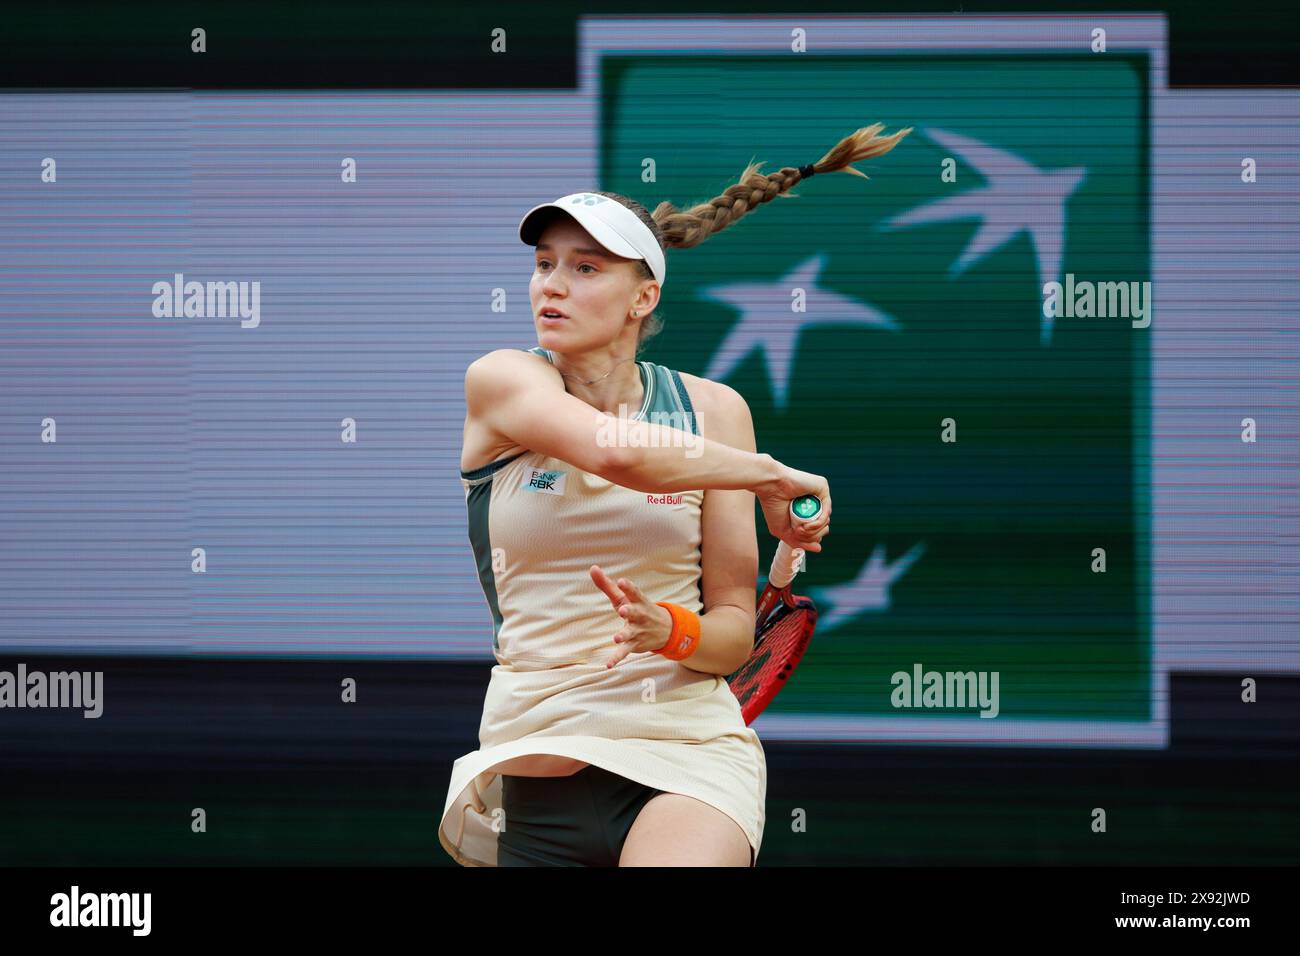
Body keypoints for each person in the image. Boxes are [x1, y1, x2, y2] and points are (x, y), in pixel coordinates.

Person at [438, 123, 909, 866]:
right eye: (543, 263)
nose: (552, 284)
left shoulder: (717, 413)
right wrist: (769, 476)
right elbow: (617, 450)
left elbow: (729, 637)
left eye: (586, 268)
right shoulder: (503, 381)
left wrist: (670, 631)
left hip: (688, 763)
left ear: (642, 296)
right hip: (534, 765)